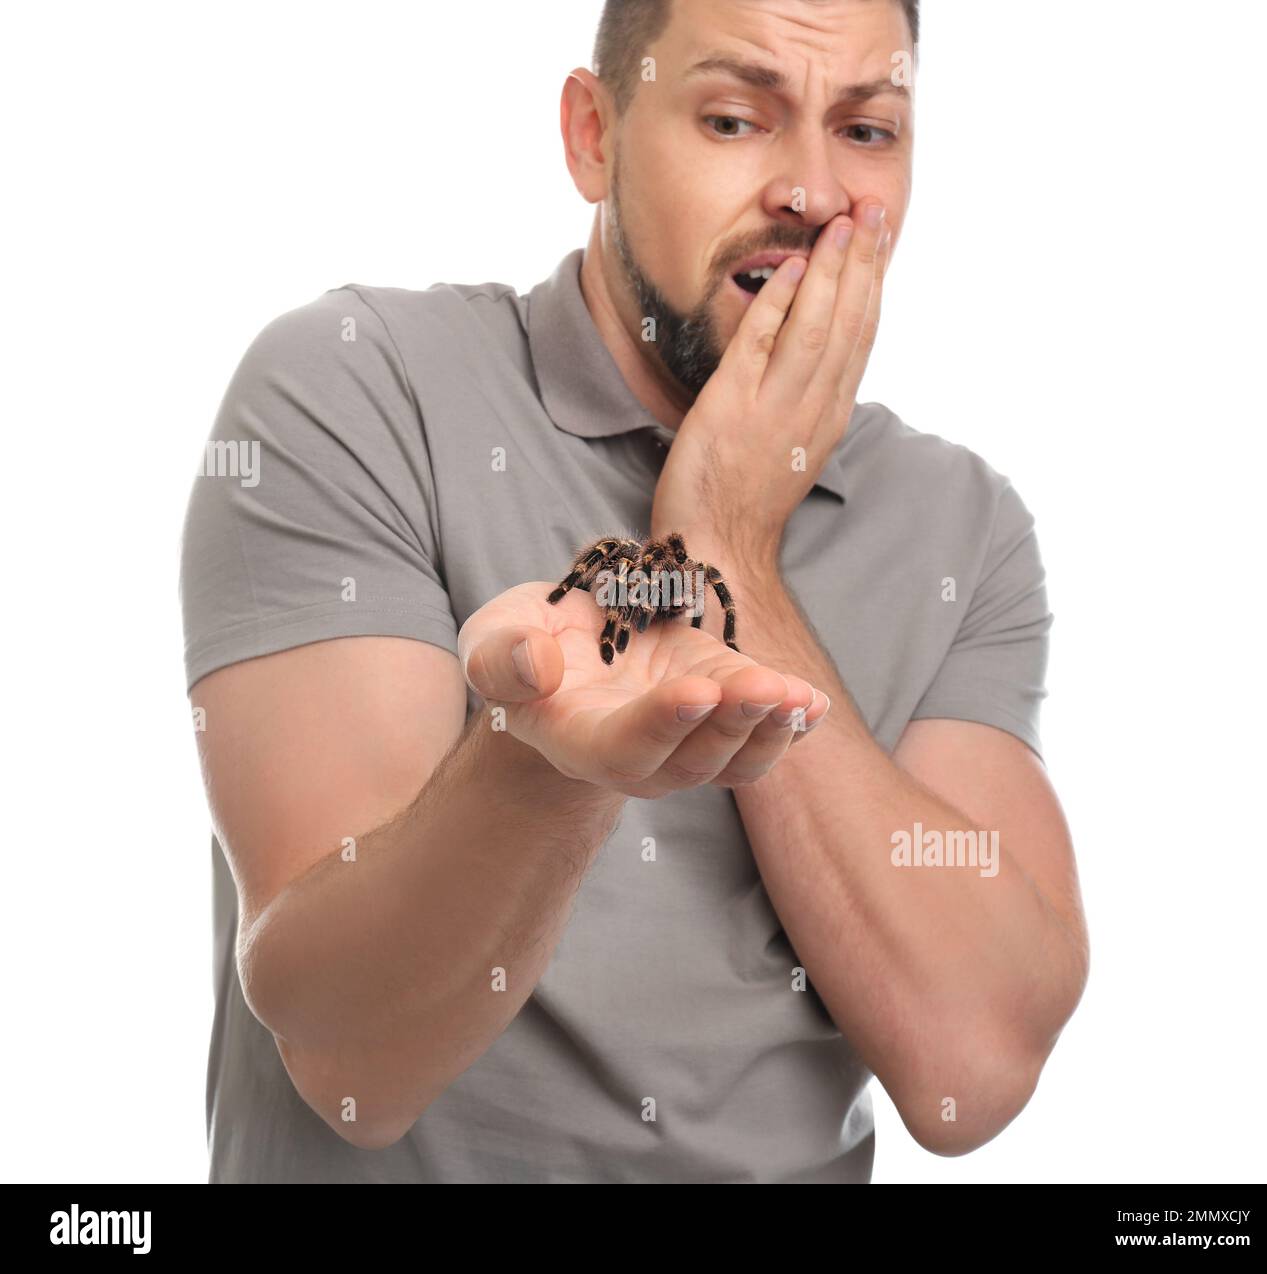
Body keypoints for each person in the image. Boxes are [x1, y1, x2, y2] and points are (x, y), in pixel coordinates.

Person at [180, 0, 1088, 1184]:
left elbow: (971, 1069)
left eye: (866, 132)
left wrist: (727, 545)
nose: (812, 191)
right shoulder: (357, 392)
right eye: (732, 117)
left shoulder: (963, 523)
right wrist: (538, 758)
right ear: (592, 135)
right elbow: (353, 1059)